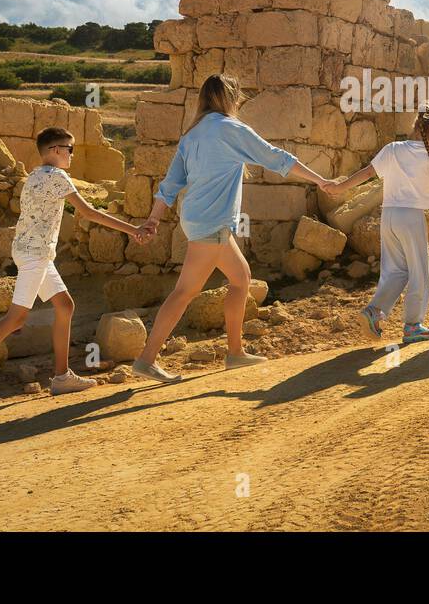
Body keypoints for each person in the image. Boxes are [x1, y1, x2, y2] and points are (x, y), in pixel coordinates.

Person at [131, 74, 336, 381]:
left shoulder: (193, 135)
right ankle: (146, 360)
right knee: (185, 291)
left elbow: (171, 184)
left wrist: (154, 218)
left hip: (199, 218)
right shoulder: (231, 129)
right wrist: (319, 179)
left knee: (241, 278)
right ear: (231, 99)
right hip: (212, 221)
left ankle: (235, 353)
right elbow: (275, 158)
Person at [0, 126, 144, 410]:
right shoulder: (58, 177)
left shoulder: (34, 175)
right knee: (16, 319)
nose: (72, 155)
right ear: (55, 151)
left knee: (64, 305)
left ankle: (61, 377)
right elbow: (88, 212)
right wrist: (133, 229)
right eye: (69, 149)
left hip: (33, 253)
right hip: (35, 255)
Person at [327, 102, 429, 345]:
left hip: (388, 216)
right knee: (419, 272)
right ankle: (413, 325)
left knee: (396, 271)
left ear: (415, 125)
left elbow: (368, 172)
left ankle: (374, 312)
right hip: (412, 218)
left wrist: (339, 187)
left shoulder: (393, 149)